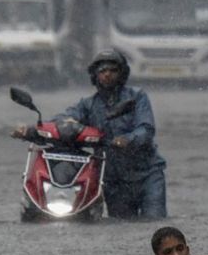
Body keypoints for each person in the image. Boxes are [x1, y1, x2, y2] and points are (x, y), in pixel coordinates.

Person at [14, 49, 167, 219]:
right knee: (122, 225)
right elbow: (64, 120)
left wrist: (127, 139)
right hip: (113, 180)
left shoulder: (137, 97)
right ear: (95, 75)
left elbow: (146, 129)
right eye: (102, 71)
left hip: (146, 175)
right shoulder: (88, 105)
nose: (107, 74)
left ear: (122, 73)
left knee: (155, 222)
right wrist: (31, 131)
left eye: (113, 70)